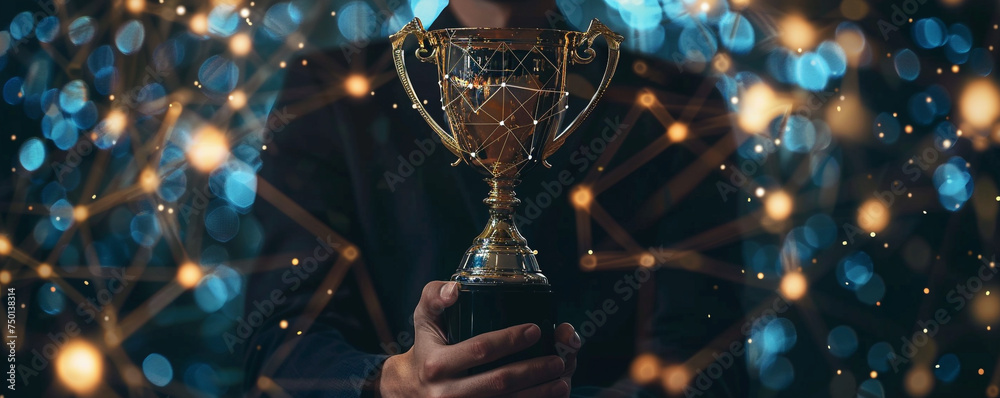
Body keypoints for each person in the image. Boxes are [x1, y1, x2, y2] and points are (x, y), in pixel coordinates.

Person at [245, 0, 745, 396]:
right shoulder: (327, 93)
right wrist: (393, 382)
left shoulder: (679, 108)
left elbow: (707, 360)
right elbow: (277, 347)